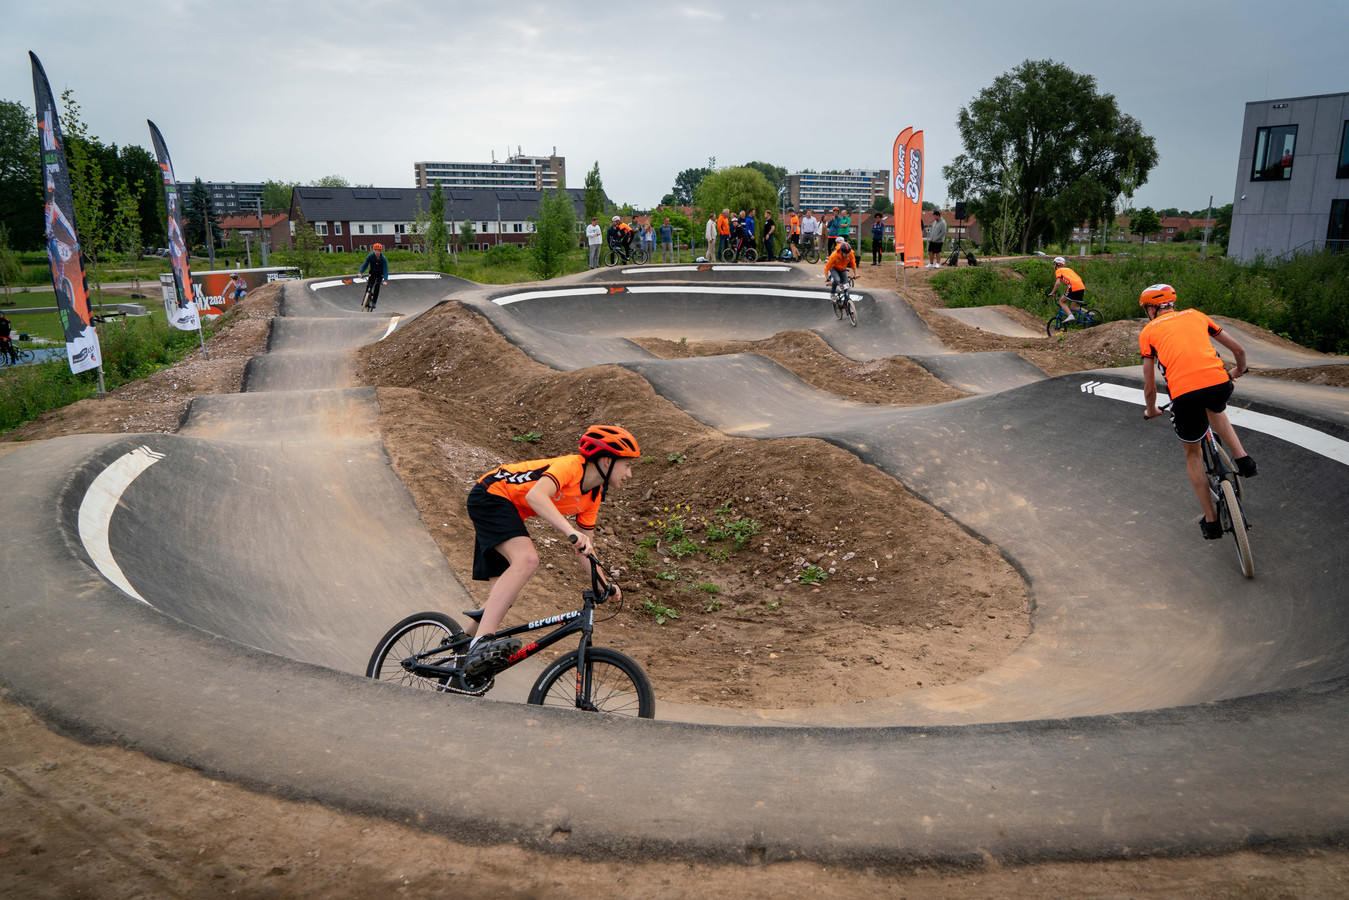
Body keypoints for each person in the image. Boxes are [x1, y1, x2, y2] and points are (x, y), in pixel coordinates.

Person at [461, 425, 641, 674]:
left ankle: (458, 651)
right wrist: (571, 531)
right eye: (628, 465)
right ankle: (479, 645)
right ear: (608, 460)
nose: (630, 474)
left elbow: (584, 548)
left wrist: (603, 583)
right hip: (491, 494)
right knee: (527, 560)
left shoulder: (593, 496)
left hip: (513, 510)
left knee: (502, 596)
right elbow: (536, 496)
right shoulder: (571, 466)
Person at [1138, 284, 1259, 541]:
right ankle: (1243, 460)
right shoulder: (1196, 315)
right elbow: (1239, 350)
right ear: (1171, 303)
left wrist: (1151, 410)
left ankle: (1212, 522)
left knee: (1192, 453)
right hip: (1219, 384)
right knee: (1215, 408)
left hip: (1184, 394)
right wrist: (1238, 370)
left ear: (1150, 308)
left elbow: (1150, 386)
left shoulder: (1148, 331)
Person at [1050, 256, 1086, 322]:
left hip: (1073, 287)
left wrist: (1052, 293)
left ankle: (1070, 316)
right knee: (1073, 308)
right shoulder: (1069, 269)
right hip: (1081, 287)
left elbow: (1058, 283)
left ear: (1056, 264)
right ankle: (1089, 313)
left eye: (1054, 264)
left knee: (1061, 301)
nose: (1053, 266)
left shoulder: (1058, 270)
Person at [358, 243, 390, 310]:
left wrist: (385, 280)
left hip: (379, 274)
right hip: (372, 273)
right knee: (369, 285)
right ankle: (365, 301)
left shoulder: (383, 259)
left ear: (380, 251)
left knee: (377, 286)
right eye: (376, 250)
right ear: (374, 250)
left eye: (378, 250)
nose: (377, 252)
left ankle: (374, 302)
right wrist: (360, 272)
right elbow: (365, 265)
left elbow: (385, 270)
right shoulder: (370, 257)